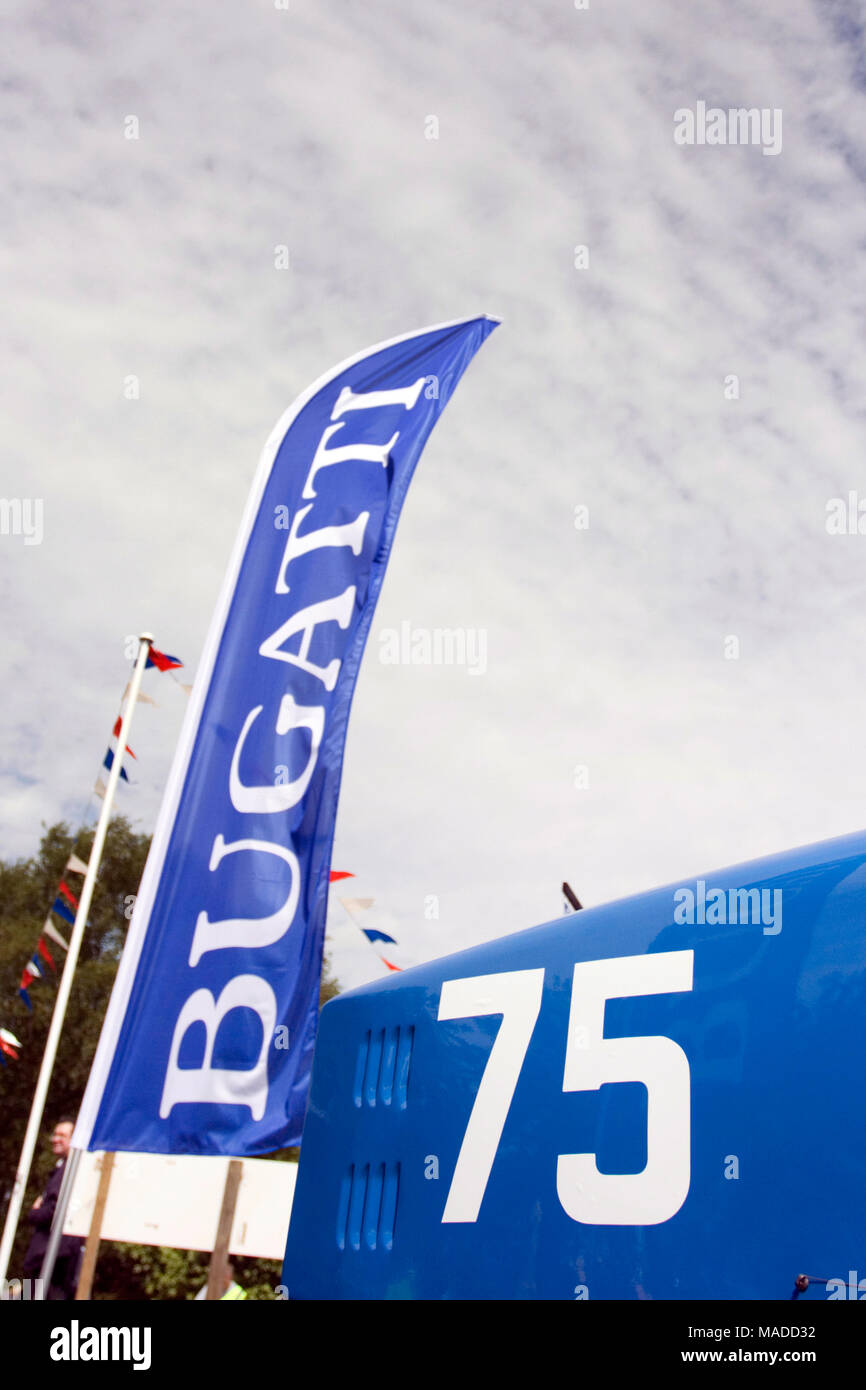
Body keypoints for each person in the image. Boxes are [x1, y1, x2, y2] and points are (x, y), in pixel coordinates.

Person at [22, 1117, 83, 1300]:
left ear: (74, 1139)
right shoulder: (64, 1169)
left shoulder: (68, 1172)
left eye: (62, 1135)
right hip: (52, 1256)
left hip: (51, 1256)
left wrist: (34, 1213)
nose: (55, 1139)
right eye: (55, 1134)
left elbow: (55, 1211)